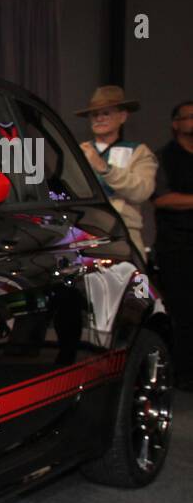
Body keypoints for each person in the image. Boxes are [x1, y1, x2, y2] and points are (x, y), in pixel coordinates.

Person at [74, 85, 157, 253]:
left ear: (123, 116)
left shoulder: (138, 151)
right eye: (95, 114)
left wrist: (105, 168)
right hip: (85, 229)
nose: (99, 118)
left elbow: (142, 191)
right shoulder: (78, 151)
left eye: (106, 113)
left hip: (124, 230)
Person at [153, 100, 193, 390]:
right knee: (181, 311)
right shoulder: (164, 157)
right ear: (175, 124)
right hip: (177, 245)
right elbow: (161, 198)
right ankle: (181, 374)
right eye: (189, 117)